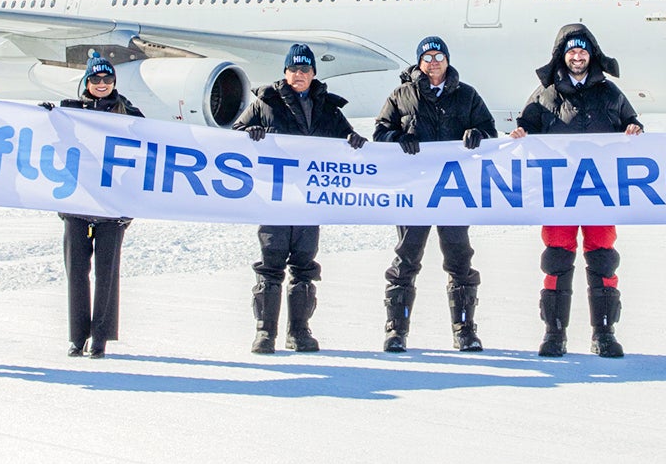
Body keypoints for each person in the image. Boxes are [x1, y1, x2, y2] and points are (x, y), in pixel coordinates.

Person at [510, 24, 643, 358]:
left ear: (591, 55)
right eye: (572, 51)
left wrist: (634, 129)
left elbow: (634, 125)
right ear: (563, 56)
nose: (578, 56)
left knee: (603, 259)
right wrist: (521, 133)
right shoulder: (545, 94)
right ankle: (554, 333)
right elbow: (526, 127)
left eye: (583, 51)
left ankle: (604, 334)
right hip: (559, 193)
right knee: (556, 258)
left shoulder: (610, 94)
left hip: (599, 191)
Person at [234, 43, 366, 354]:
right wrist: (248, 132)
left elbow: (347, 141)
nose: (299, 75)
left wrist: (355, 141)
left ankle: (299, 331)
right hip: (276, 197)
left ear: (314, 74)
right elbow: (233, 137)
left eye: (305, 69)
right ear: (285, 72)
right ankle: (265, 332)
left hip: (310, 199)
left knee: (304, 264)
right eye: (293, 69)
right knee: (271, 263)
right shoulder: (265, 103)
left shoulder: (328, 108)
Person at [371, 36, 498, 353]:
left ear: (447, 60)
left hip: (453, 192)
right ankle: (396, 331)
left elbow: (490, 132)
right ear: (419, 63)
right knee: (406, 260)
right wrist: (398, 138)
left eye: (439, 55)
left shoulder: (466, 96)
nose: (433, 61)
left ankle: (465, 330)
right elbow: (379, 132)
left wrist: (477, 135)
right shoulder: (402, 96)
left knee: (459, 259)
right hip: (414, 191)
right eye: (427, 57)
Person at [45, 53, 142, 358]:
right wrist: (44, 116)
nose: (102, 84)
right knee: (76, 271)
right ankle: (77, 336)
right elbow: (49, 139)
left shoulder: (130, 114)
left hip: (113, 207)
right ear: (86, 82)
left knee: (106, 272)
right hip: (77, 202)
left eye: (107, 79)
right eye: (96, 79)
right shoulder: (70, 110)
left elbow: (147, 151)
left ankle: (100, 335)